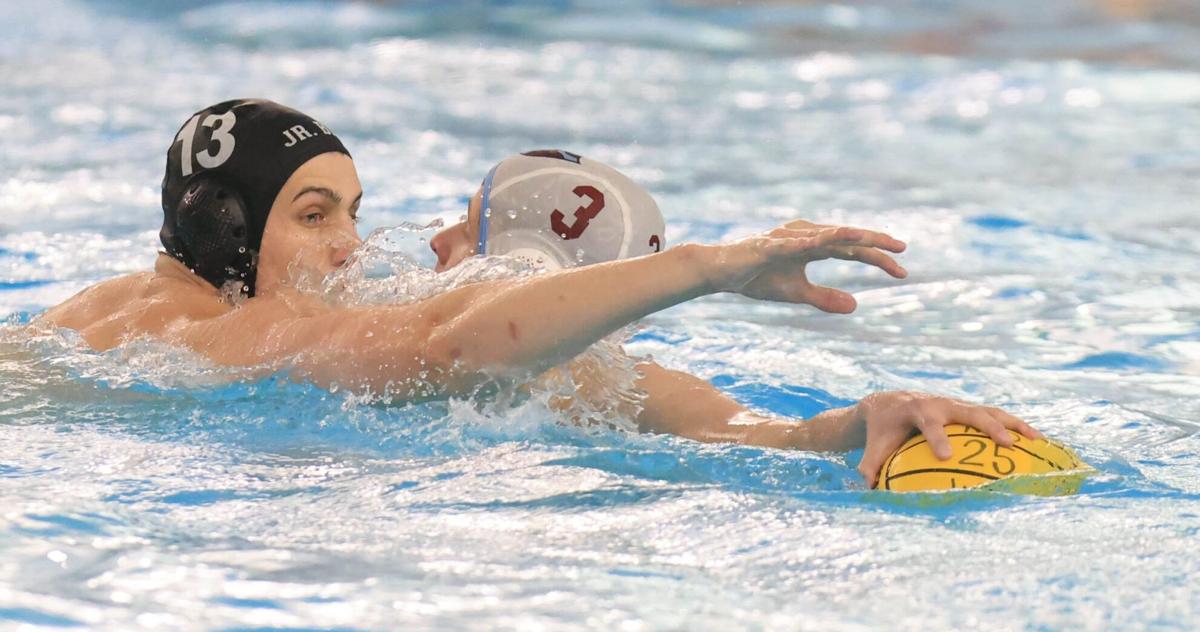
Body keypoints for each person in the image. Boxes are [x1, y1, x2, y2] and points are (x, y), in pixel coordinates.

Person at [37, 99, 1040, 487]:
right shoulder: (189, 328)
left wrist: (864, 418)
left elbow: (759, 433)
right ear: (225, 225)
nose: (364, 246)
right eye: (315, 214)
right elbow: (451, 346)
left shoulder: (579, 371)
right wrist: (710, 267)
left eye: (464, 227)